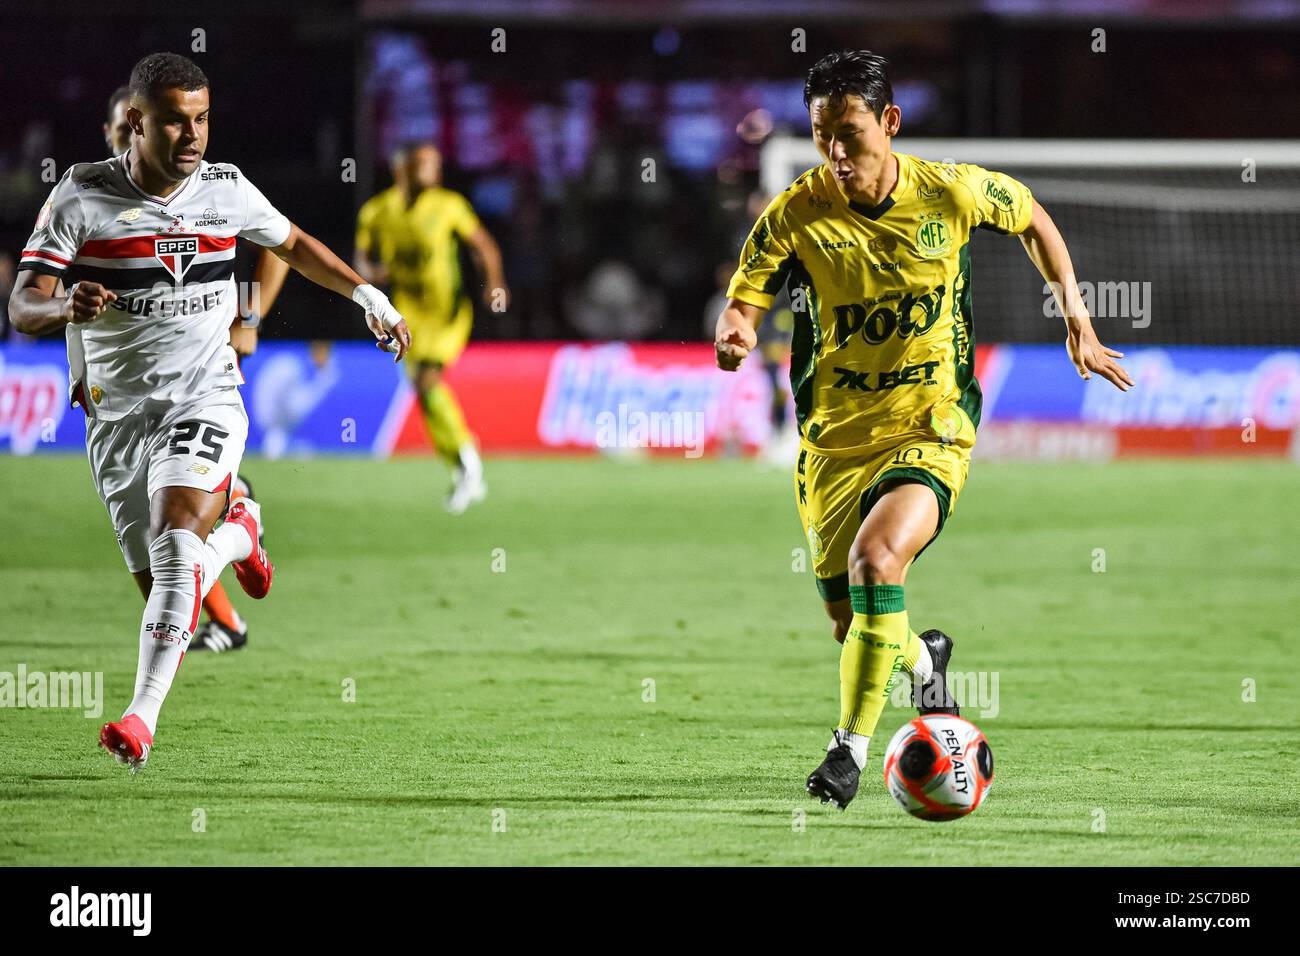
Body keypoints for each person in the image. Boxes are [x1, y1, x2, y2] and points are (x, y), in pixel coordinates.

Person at [714, 50, 1132, 810]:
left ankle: (849, 753)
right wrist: (735, 334)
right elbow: (745, 298)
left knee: (880, 562)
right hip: (834, 443)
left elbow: (1031, 215)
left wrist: (1074, 310)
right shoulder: (797, 212)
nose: (836, 153)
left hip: (932, 424)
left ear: (890, 123)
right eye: (821, 135)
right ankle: (924, 656)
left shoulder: (949, 190)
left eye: (849, 132)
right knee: (854, 623)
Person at [9, 52, 410, 771]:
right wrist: (64, 303)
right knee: (175, 587)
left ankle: (138, 720)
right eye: (175, 122)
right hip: (117, 419)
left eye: (201, 120)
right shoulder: (80, 198)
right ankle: (241, 533)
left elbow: (292, 245)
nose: (193, 136)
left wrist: (367, 299)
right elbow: (23, 300)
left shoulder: (224, 189)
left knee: (174, 540)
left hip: (205, 394)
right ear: (133, 123)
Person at [105, 84, 290, 652]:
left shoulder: (209, 190)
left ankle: (235, 535)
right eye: (115, 133)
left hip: (198, 373)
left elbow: (282, 243)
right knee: (160, 565)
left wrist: (249, 316)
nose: (124, 140)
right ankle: (234, 567)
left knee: (178, 531)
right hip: (125, 396)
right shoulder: (98, 202)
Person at [355, 143, 506, 513]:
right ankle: (461, 466)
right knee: (422, 390)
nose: (434, 171)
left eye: (437, 164)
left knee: (427, 382)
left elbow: (483, 246)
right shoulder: (377, 212)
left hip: (447, 313)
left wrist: (496, 283)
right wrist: (371, 286)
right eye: (425, 164)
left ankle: (469, 461)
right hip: (406, 315)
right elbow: (362, 261)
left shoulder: (448, 205)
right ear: (402, 169)